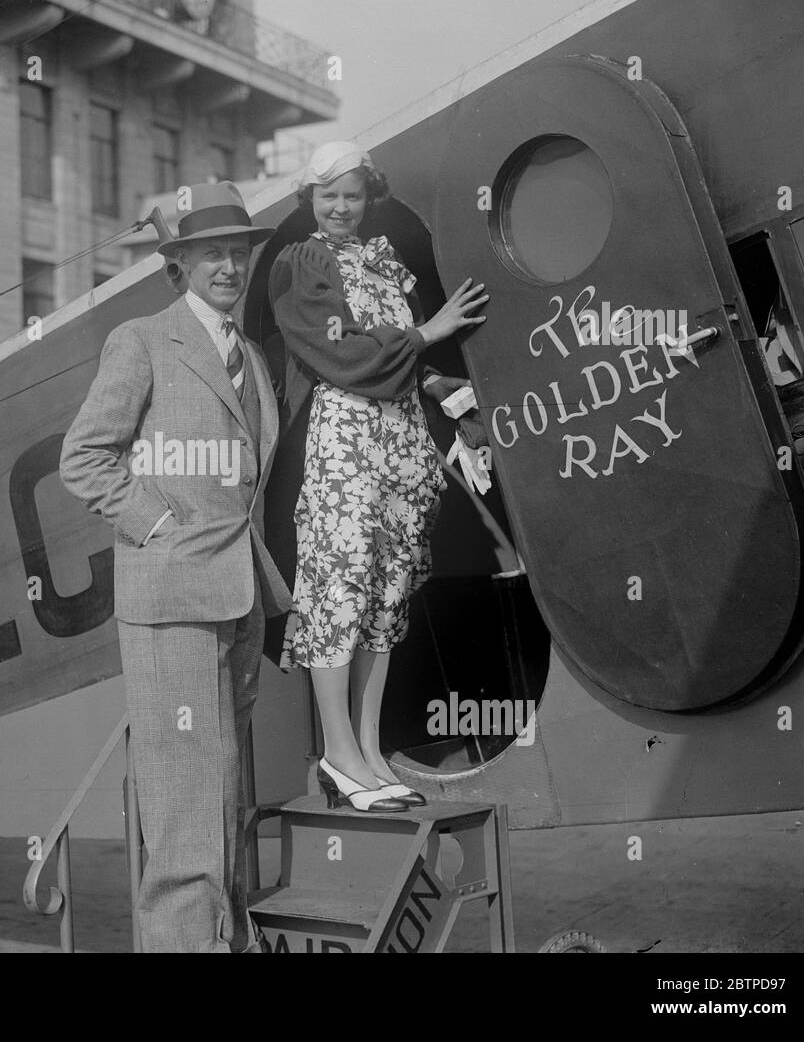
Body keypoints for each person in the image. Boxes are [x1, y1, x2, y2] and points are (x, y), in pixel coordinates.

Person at [59, 182, 291, 952]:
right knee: (183, 798)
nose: (228, 265)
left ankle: (226, 937)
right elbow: (84, 459)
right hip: (170, 598)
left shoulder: (249, 355)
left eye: (238, 251)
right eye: (210, 253)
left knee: (223, 785)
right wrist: (157, 524)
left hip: (237, 595)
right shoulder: (142, 340)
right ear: (180, 262)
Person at [269, 141, 488, 813]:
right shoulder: (301, 262)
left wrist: (441, 380)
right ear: (310, 198)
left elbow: (392, 361)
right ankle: (337, 752)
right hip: (346, 442)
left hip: (400, 443)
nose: (340, 207)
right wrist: (428, 333)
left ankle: (367, 750)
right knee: (339, 588)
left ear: (370, 197)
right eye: (328, 194)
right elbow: (342, 356)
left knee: (385, 599)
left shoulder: (383, 263)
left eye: (353, 194)